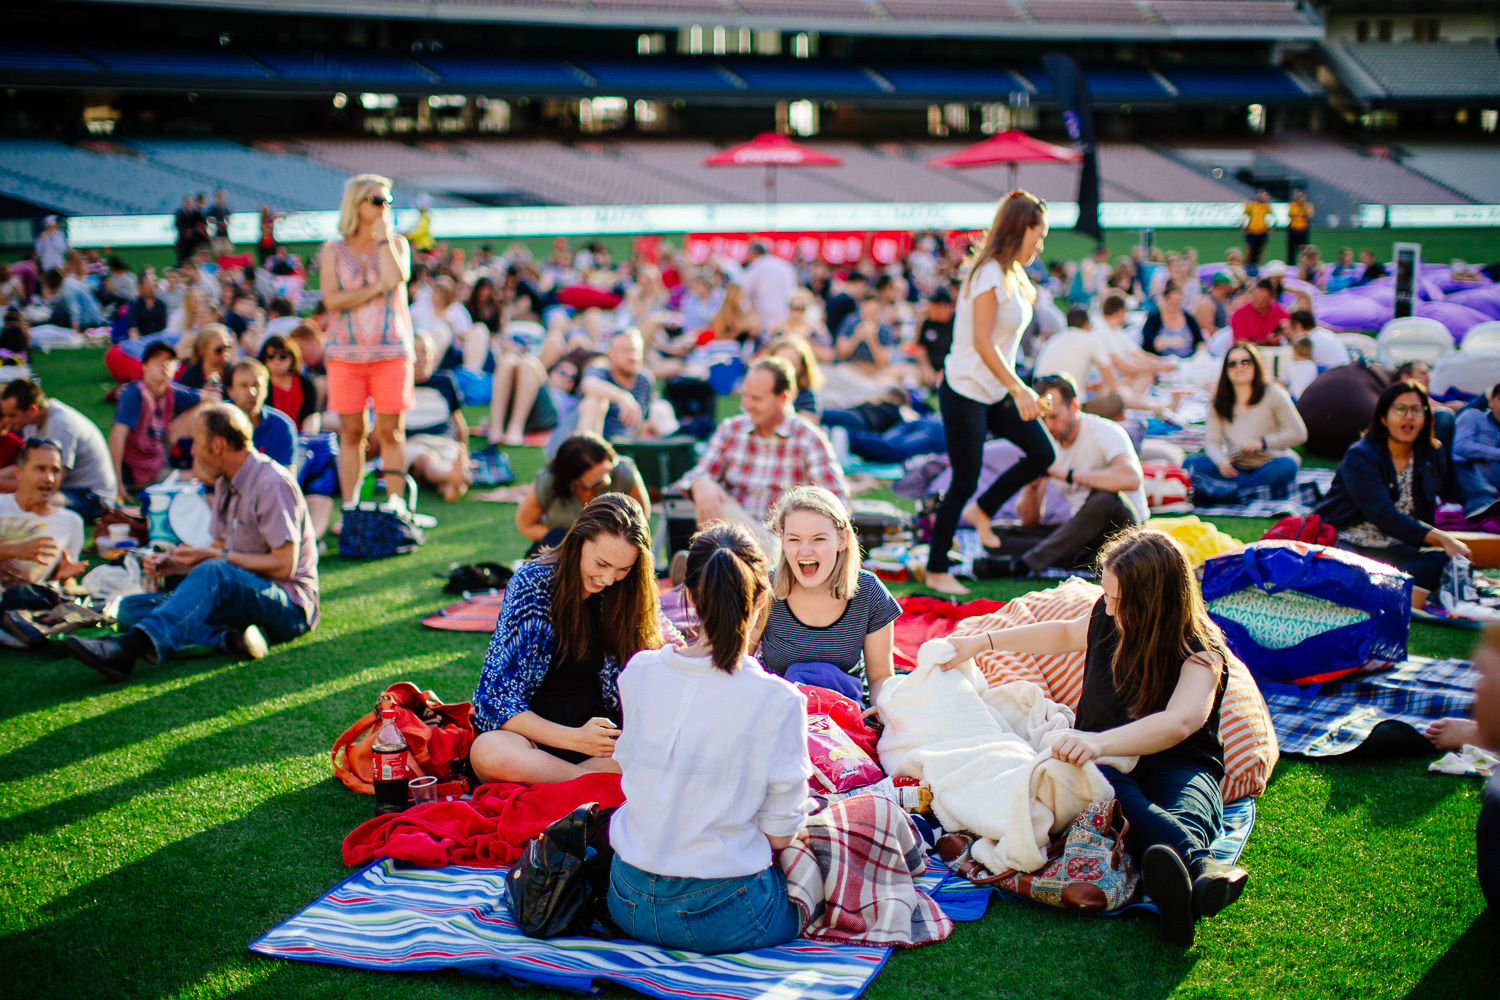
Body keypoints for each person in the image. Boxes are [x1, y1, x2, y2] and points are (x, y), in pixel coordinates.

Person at [932, 527, 1246, 946]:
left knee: (1185, 810)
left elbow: (1180, 723)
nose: (1108, 607)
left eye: (1119, 600)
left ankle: (1177, 882)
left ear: (1157, 600)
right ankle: (1199, 875)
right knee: (1115, 796)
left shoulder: (1201, 650)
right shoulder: (1107, 615)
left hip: (1179, 761)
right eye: (1107, 595)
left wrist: (1097, 742)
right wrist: (983, 641)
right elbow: (1063, 634)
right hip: (1108, 763)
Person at [607, 520, 812, 955]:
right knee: (835, 845)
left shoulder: (640, 671)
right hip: (720, 914)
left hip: (625, 898)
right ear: (761, 598)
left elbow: (632, 772)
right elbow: (780, 834)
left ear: (688, 595)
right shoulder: (778, 699)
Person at [63, 403, 319, 681]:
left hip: (288, 607)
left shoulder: (272, 483)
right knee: (130, 608)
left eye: (196, 443)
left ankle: (127, 649)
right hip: (242, 593)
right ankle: (230, 638)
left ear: (217, 445)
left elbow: (284, 565)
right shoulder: (226, 483)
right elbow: (221, 551)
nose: (193, 451)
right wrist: (176, 566)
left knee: (213, 573)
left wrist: (214, 558)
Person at [469, 493, 673, 785]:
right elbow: (494, 698)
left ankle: (569, 786)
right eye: (601, 564)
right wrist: (575, 739)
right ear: (578, 542)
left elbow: (665, 650)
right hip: (535, 741)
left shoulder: (631, 590)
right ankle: (592, 785)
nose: (608, 579)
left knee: (668, 746)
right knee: (489, 752)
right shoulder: (532, 584)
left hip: (605, 748)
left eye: (623, 569)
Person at [926, 190, 1057, 596]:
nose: (1041, 245)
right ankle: (935, 568)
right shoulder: (987, 274)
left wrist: (1018, 388)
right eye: (1039, 235)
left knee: (1042, 453)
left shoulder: (1012, 274)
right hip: (966, 389)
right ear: (1020, 229)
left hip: (995, 389)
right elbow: (983, 342)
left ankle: (981, 510)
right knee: (964, 479)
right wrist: (1019, 390)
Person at [676, 357, 849, 558]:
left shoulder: (808, 439)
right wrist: (700, 482)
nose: (747, 405)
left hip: (785, 544)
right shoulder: (731, 430)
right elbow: (694, 475)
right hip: (732, 542)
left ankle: (705, 567)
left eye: (757, 399)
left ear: (783, 398)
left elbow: (837, 505)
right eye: (745, 396)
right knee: (713, 500)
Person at [979, 374, 1145, 576]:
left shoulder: (1105, 431)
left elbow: (1131, 479)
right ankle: (1088, 560)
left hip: (1126, 532)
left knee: (1105, 498)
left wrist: (1067, 475)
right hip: (1079, 534)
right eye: (1043, 419)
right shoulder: (1045, 444)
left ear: (1074, 407)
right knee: (996, 534)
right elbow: (1030, 522)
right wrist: (1032, 485)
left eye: (1054, 417)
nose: (1048, 426)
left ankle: (1024, 565)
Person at [1314, 380, 1471, 593]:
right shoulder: (1360, 455)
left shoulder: (1431, 454)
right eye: (1400, 409)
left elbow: (1446, 493)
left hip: (1394, 549)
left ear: (1425, 418)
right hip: (1348, 544)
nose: (1409, 416)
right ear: (1383, 418)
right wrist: (1442, 538)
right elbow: (1383, 515)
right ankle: (1382, 585)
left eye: (1416, 410)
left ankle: (1381, 585)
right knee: (1345, 574)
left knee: (1451, 563)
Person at [318, 173, 414, 506]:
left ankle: (396, 506)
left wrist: (384, 238)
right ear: (356, 205)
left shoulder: (397, 244)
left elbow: (396, 277)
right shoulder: (332, 249)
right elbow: (332, 300)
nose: (384, 207)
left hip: (391, 353)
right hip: (345, 355)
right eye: (377, 200)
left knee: (391, 433)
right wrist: (374, 290)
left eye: (388, 200)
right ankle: (351, 506)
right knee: (352, 433)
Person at [756, 485, 900, 705]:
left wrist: (884, 709)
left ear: (842, 540)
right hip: (777, 706)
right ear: (782, 539)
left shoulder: (869, 591)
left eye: (818, 539)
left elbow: (880, 677)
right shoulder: (765, 588)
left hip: (845, 707)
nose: (805, 551)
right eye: (794, 539)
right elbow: (740, 663)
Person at [1185, 345, 1307, 504]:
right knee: (1190, 463)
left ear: (1256, 365)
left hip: (1268, 463)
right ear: (1226, 370)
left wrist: (1262, 443)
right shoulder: (1218, 402)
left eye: (1245, 362)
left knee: (1288, 465)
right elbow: (1212, 443)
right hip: (1234, 467)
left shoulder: (1274, 394)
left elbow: (1298, 434)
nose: (1239, 367)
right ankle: (1247, 491)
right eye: (1232, 364)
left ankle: (1228, 491)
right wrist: (1220, 461)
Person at [0, 380, 117, 520]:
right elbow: (25, 466)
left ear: (32, 409)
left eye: (12, 415)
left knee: (31, 501)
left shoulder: (61, 425)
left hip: (91, 498)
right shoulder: (32, 421)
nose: (7, 420)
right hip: (65, 488)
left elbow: (51, 481)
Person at [516, 433, 647, 556]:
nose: (607, 481)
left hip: (611, 547)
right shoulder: (548, 482)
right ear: (574, 479)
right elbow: (525, 524)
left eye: (609, 471)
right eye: (597, 480)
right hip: (561, 549)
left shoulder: (624, 472)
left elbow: (642, 517)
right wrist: (570, 540)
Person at [0, 439, 87, 616]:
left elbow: (64, 582)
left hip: (24, 607)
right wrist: (15, 550)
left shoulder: (71, 522)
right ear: (18, 472)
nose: (49, 478)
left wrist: (65, 579)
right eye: (40, 469)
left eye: (55, 470)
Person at [109, 341, 203, 499]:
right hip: (139, 472)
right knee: (203, 476)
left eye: (169, 360)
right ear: (144, 367)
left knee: (204, 409)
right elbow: (117, 435)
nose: (164, 364)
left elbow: (208, 398)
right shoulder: (135, 393)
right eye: (157, 359)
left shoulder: (169, 391)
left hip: (158, 455)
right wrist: (116, 483)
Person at [402, 332, 472, 502]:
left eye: (424, 352)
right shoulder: (399, 383)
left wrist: (464, 449)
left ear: (433, 356)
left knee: (454, 461)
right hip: (414, 442)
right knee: (426, 460)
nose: (419, 358)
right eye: (415, 352)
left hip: (444, 441)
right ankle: (450, 477)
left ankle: (451, 482)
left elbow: (458, 421)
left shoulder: (445, 381)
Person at [577, 329, 657, 442]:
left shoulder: (645, 380)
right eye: (625, 351)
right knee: (594, 402)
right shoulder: (599, 371)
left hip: (619, 442)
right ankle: (587, 451)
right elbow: (589, 385)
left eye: (636, 351)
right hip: (576, 436)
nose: (632, 356)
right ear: (610, 354)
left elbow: (642, 422)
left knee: (660, 408)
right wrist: (623, 396)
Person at [225, 359, 297, 468]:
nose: (251, 392)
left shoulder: (282, 426)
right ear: (230, 391)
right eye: (244, 385)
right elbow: (203, 471)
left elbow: (288, 475)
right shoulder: (215, 421)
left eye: (257, 385)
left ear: (266, 389)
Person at [1451, 382, 1500, 524]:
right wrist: (1497, 454)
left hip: (1494, 476)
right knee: (1460, 463)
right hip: (1467, 471)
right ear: (1491, 402)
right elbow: (1460, 446)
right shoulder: (1472, 417)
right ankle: (1480, 506)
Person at [258, 334, 320, 432]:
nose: (276, 361)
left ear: (292, 357)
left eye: (282, 356)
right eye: (271, 356)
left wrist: (306, 438)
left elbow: (311, 417)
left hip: (302, 436)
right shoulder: (260, 385)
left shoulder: (306, 384)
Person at [743, 241, 799, 336]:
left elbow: (744, 295)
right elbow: (794, 293)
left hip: (764, 319)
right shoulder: (786, 266)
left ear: (754, 254)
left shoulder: (756, 267)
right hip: (786, 317)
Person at [1141, 282, 1203, 359]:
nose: (1175, 306)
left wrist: (1200, 353)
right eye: (1172, 302)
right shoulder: (1154, 318)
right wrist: (1170, 342)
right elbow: (1149, 341)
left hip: (1188, 359)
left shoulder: (1188, 318)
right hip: (1161, 361)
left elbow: (1199, 340)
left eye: (1178, 303)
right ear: (1165, 300)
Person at [1229, 278, 1290, 347]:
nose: (1258, 303)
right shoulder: (1240, 313)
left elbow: (1290, 335)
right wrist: (1264, 342)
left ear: (1271, 298)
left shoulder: (1281, 312)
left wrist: (1287, 333)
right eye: (1256, 298)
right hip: (1249, 351)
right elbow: (1239, 342)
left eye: (1263, 300)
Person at [176, 323, 236, 390]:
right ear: (202, 351)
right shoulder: (190, 376)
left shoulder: (234, 372)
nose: (224, 353)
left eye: (226, 348)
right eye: (219, 350)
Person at [915, 286, 954, 387]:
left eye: (931, 305)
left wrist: (946, 371)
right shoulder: (928, 323)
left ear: (942, 306)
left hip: (951, 371)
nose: (928, 308)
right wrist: (926, 368)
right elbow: (921, 349)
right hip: (929, 371)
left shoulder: (957, 324)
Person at [1240, 190, 1274, 269]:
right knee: (1250, 251)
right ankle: (1248, 267)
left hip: (1262, 232)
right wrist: (1244, 228)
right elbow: (1245, 217)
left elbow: (1271, 218)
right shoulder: (1251, 205)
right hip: (1251, 232)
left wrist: (1270, 228)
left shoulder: (1266, 207)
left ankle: (1256, 266)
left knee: (1259, 251)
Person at [1286, 190, 1314, 262]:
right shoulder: (1293, 205)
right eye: (1298, 197)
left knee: (1304, 250)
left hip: (1303, 230)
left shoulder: (1308, 205)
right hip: (1293, 230)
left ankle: (1305, 263)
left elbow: (1309, 215)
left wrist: (1303, 207)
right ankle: (1291, 264)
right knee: (1291, 250)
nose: (1300, 199)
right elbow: (1290, 214)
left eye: (1301, 197)